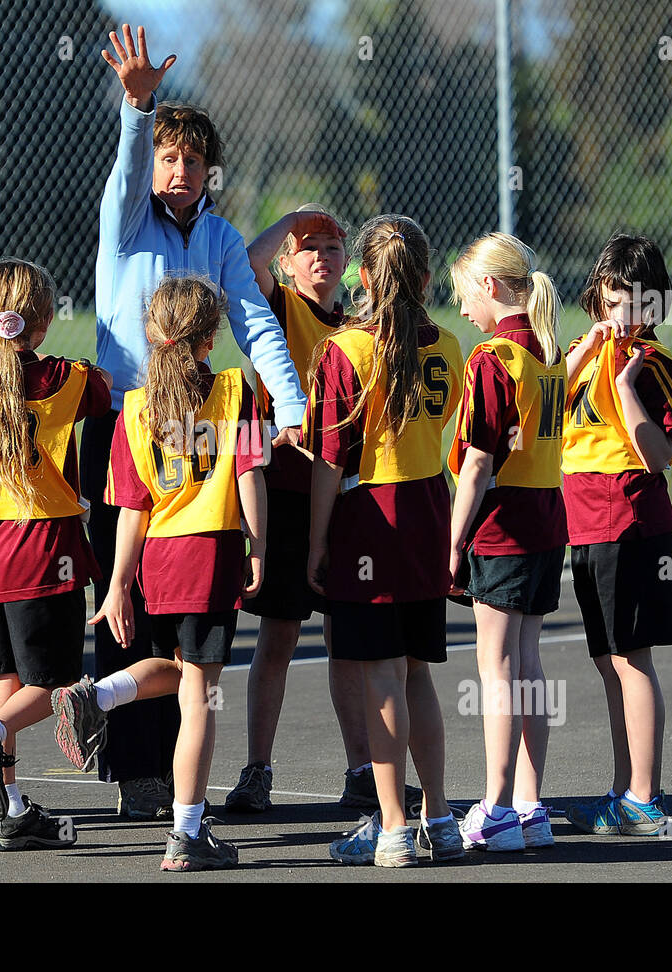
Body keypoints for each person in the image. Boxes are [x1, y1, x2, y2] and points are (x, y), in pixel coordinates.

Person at [83, 23, 306, 819]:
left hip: (207, 432)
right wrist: (137, 106)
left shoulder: (218, 238)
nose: (177, 172)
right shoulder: (126, 223)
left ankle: (178, 783)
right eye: (167, 158)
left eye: (191, 160)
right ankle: (138, 773)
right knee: (128, 600)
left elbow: (257, 326)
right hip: (126, 425)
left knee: (191, 604)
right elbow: (124, 168)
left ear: (211, 171)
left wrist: (293, 405)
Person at [52, 275, 268, 871]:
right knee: (201, 693)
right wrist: (260, 544)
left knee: (179, 670)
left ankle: (100, 693)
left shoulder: (136, 408)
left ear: (152, 332)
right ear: (211, 336)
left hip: (158, 562)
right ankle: (187, 831)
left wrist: (119, 583)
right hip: (210, 552)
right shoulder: (232, 390)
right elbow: (250, 478)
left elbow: (131, 507)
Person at [224, 206, 420, 816]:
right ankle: (257, 768)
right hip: (285, 491)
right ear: (287, 258)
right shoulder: (277, 306)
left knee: (348, 643)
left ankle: (362, 769)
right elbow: (249, 262)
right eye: (308, 247)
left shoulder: (358, 325)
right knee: (278, 636)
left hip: (344, 496)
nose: (321, 257)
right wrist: (292, 219)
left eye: (333, 247)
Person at [304, 215, 465, 867]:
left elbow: (330, 461)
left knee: (380, 677)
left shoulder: (348, 351)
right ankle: (441, 817)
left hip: (371, 518)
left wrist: (315, 544)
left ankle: (393, 827)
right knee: (419, 675)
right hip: (430, 512)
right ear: (426, 278)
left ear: (362, 276)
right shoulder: (450, 347)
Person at [0, 258, 112, 851]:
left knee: (3, 676)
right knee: (56, 679)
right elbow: (107, 391)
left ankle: (8, 808)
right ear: (42, 324)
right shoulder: (67, 379)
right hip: (44, 545)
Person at [447, 231, 567, 852]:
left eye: (466, 296)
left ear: (491, 288)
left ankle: (494, 809)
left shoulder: (493, 358)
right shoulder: (548, 351)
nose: (463, 310)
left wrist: (452, 539)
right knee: (527, 665)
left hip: (505, 526)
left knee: (495, 669)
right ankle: (530, 804)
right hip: (550, 521)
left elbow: (476, 463)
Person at [561, 234, 672, 837]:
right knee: (610, 664)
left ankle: (645, 798)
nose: (622, 315)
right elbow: (545, 416)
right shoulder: (583, 360)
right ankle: (624, 788)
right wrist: (582, 355)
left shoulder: (654, 367)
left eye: (636, 303)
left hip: (629, 520)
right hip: (584, 521)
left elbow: (657, 454)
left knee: (633, 662)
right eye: (612, 300)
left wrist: (629, 389)